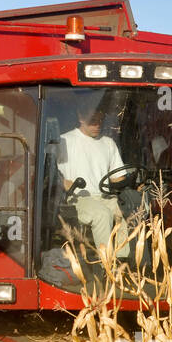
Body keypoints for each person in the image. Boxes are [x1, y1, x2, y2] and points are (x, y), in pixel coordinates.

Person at [57, 95, 131, 256]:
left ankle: (122, 263)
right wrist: (62, 182)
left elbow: (117, 177)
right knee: (102, 214)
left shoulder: (108, 143)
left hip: (104, 196)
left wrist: (129, 181)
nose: (97, 125)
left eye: (100, 120)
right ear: (80, 118)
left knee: (122, 215)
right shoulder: (64, 141)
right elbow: (50, 171)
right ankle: (106, 264)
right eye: (92, 120)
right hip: (78, 198)